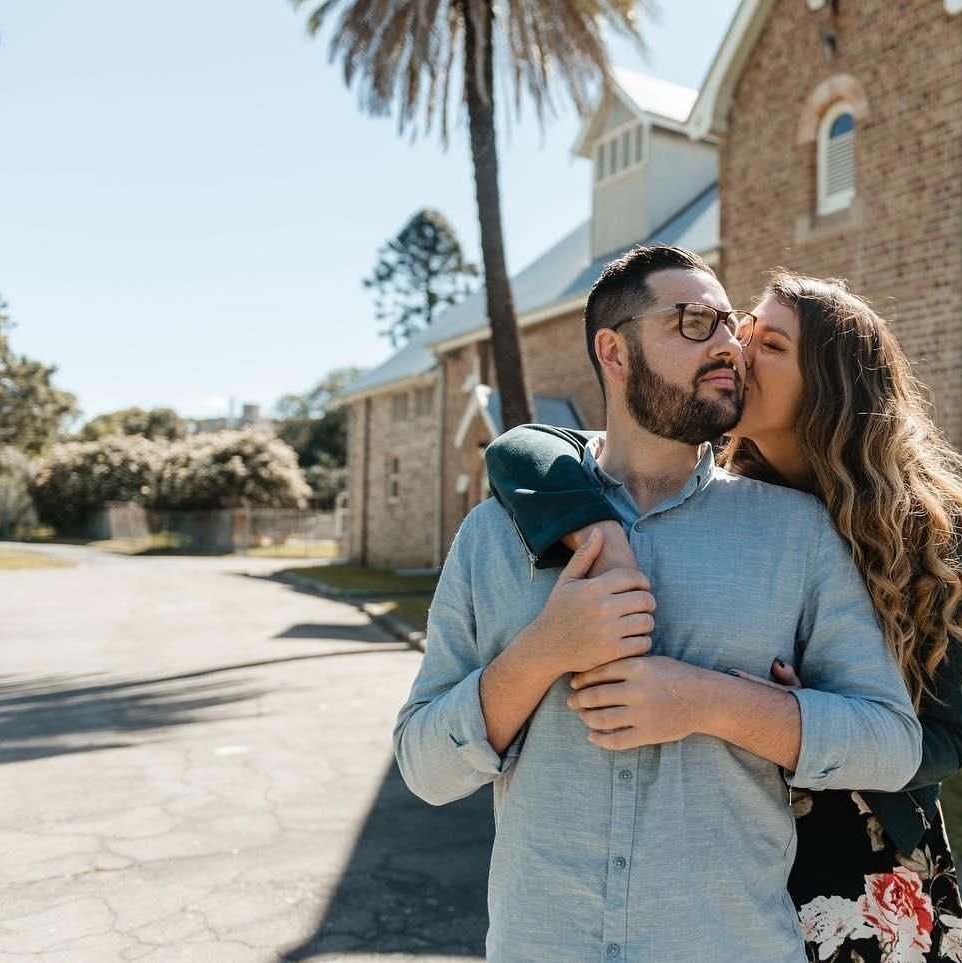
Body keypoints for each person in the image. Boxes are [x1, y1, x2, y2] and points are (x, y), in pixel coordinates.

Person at [394, 245, 922, 962]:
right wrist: (547, 647)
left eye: (729, 324)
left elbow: (892, 745)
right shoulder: (494, 534)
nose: (729, 345)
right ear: (614, 351)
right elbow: (425, 767)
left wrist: (707, 701)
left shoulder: (796, 534)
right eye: (693, 322)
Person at [485, 267, 962, 963]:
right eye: (739, 328)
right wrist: (593, 531)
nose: (735, 348)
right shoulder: (735, 498)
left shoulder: (916, 526)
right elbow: (525, 447)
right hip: (725, 854)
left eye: (770, 344)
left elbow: (947, 740)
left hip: (863, 852)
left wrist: (797, 719)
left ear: (830, 380)